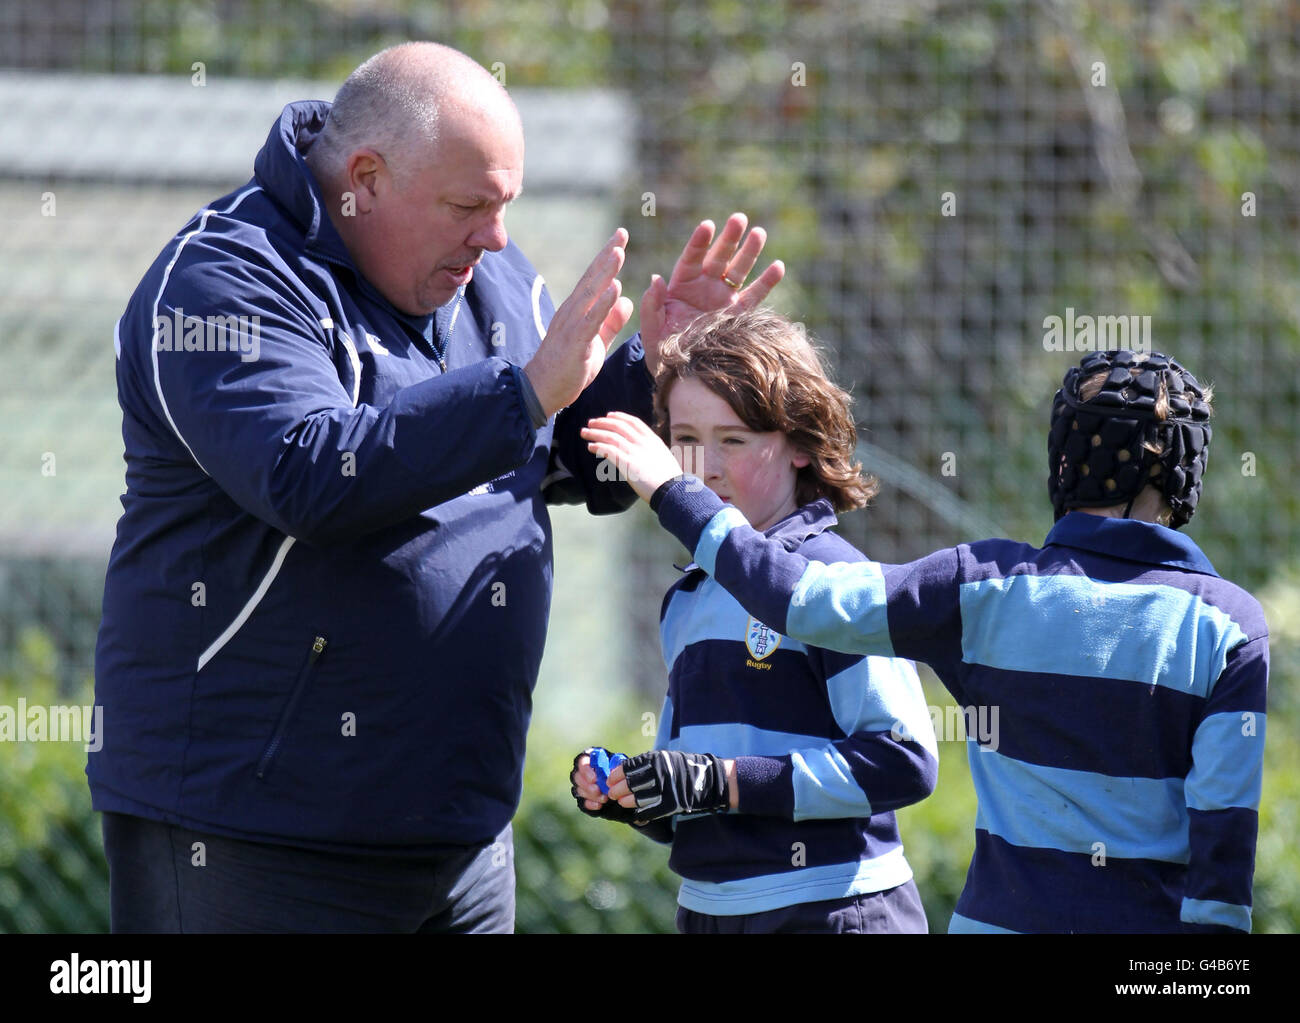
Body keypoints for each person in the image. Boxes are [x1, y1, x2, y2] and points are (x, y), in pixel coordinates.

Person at [92, 40, 783, 933]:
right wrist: (526, 388)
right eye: (470, 205)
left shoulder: (486, 273)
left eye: (506, 206)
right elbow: (309, 472)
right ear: (366, 178)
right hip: (250, 834)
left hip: (459, 834)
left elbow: (572, 457)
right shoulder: (222, 279)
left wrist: (653, 370)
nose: (496, 236)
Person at [583, 348, 1269, 934]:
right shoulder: (1231, 627)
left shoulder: (985, 587)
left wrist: (675, 491)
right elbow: (1222, 856)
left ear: (1062, 458)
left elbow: (797, 599)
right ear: (1188, 476)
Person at [570, 308, 938, 933]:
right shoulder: (686, 599)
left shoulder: (831, 582)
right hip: (709, 913)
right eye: (684, 441)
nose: (703, 468)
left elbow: (904, 761)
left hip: (834, 910)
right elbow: (701, 787)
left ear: (799, 443)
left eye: (733, 440)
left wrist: (724, 783)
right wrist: (638, 793)